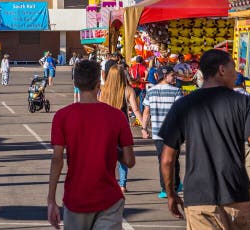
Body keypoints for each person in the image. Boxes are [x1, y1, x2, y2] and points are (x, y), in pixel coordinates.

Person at [159, 49, 250, 229]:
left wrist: (171, 193)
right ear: (222, 70)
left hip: (199, 199)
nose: (236, 73)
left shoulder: (183, 105)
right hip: (237, 197)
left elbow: (167, 159)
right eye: (233, 67)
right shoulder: (245, 103)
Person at [47, 59, 135, 229]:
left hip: (76, 199)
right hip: (109, 199)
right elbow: (129, 161)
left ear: (75, 83)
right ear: (98, 83)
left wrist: (51, 200)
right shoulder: (117, 116)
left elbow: (57, 159)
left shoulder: (62, 116)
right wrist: (112, 149)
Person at [99, 64, 143, 193]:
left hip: (106, 127)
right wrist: (144, 126)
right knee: (124, 156)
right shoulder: (128, 90)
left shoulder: (103, 90)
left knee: (108, 156)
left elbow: (100, 109)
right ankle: (122, 184)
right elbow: (135, 110)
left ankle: (110, 181)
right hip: (122, 127)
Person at [141, 66, 183, 198]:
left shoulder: (151, 92)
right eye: (172, 75)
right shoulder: (177, 92)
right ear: (164, 76)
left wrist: (144, 129)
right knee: (174, 159)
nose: (175, 77)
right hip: (173, 133)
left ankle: (165, 188)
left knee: (162, 160)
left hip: (157, 133)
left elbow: (146, 112)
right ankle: (174, 185)